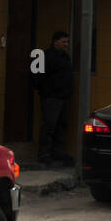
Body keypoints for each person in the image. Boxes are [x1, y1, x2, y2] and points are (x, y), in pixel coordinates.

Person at [35, 31, 75, 168]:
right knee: (49, 125)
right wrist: (46, 91)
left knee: (60, 126)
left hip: (63, 97)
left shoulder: (65, 57)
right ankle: (44, 154)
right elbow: (38, 77)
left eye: (67, 42)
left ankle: (57, 151)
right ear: (55, 41)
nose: (66, 44)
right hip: (51, 97)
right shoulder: (46, 56)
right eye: (63, 42)